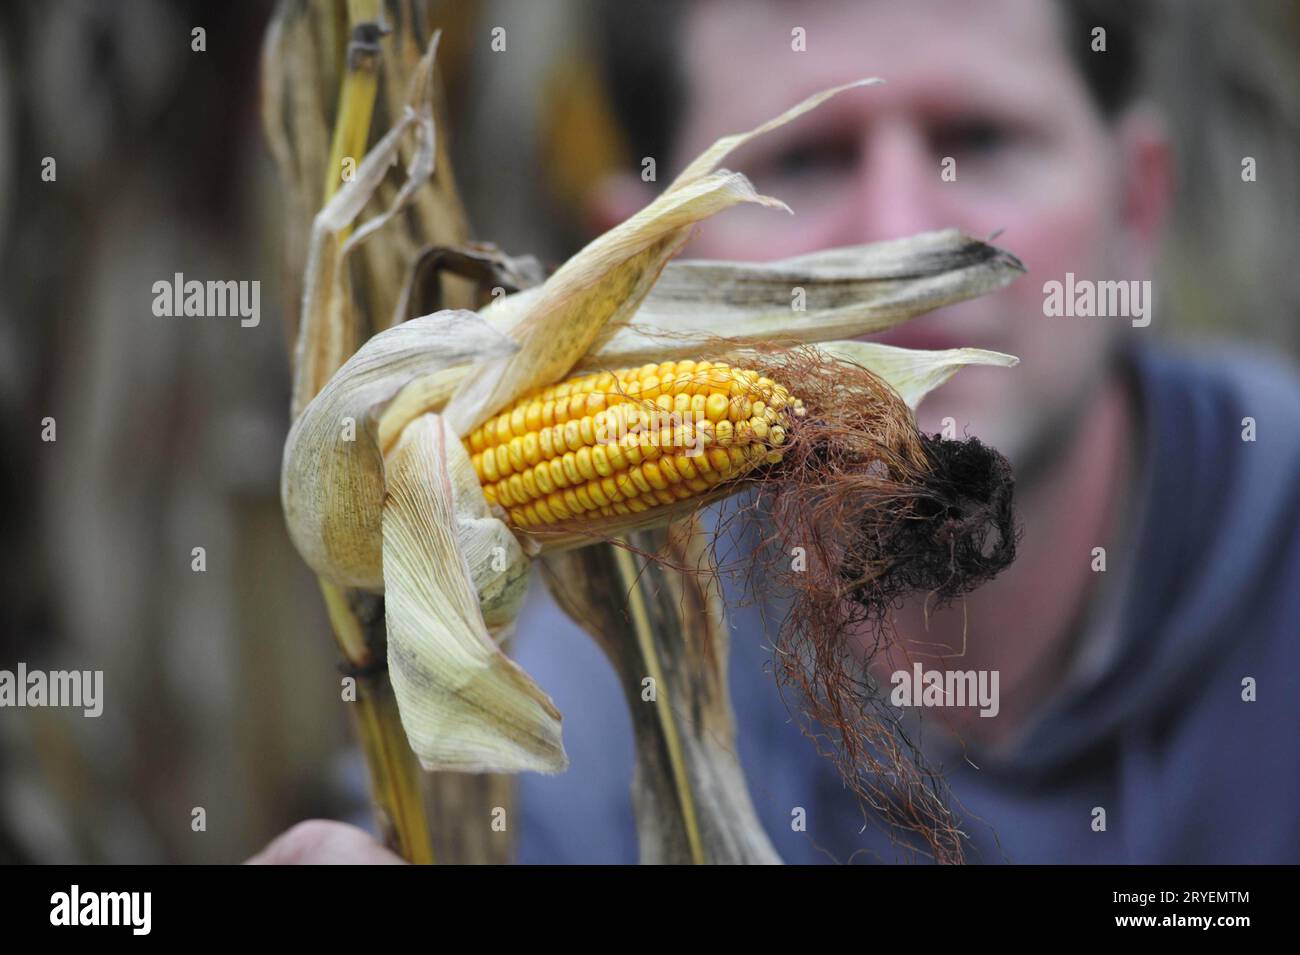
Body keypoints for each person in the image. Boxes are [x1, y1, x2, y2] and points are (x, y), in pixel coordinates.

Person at [253, 0, 1300, 863]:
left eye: (978, 140)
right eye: (803, 161)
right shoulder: (576, 712)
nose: (901, 233)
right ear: (637, 278)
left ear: (1140, 207)